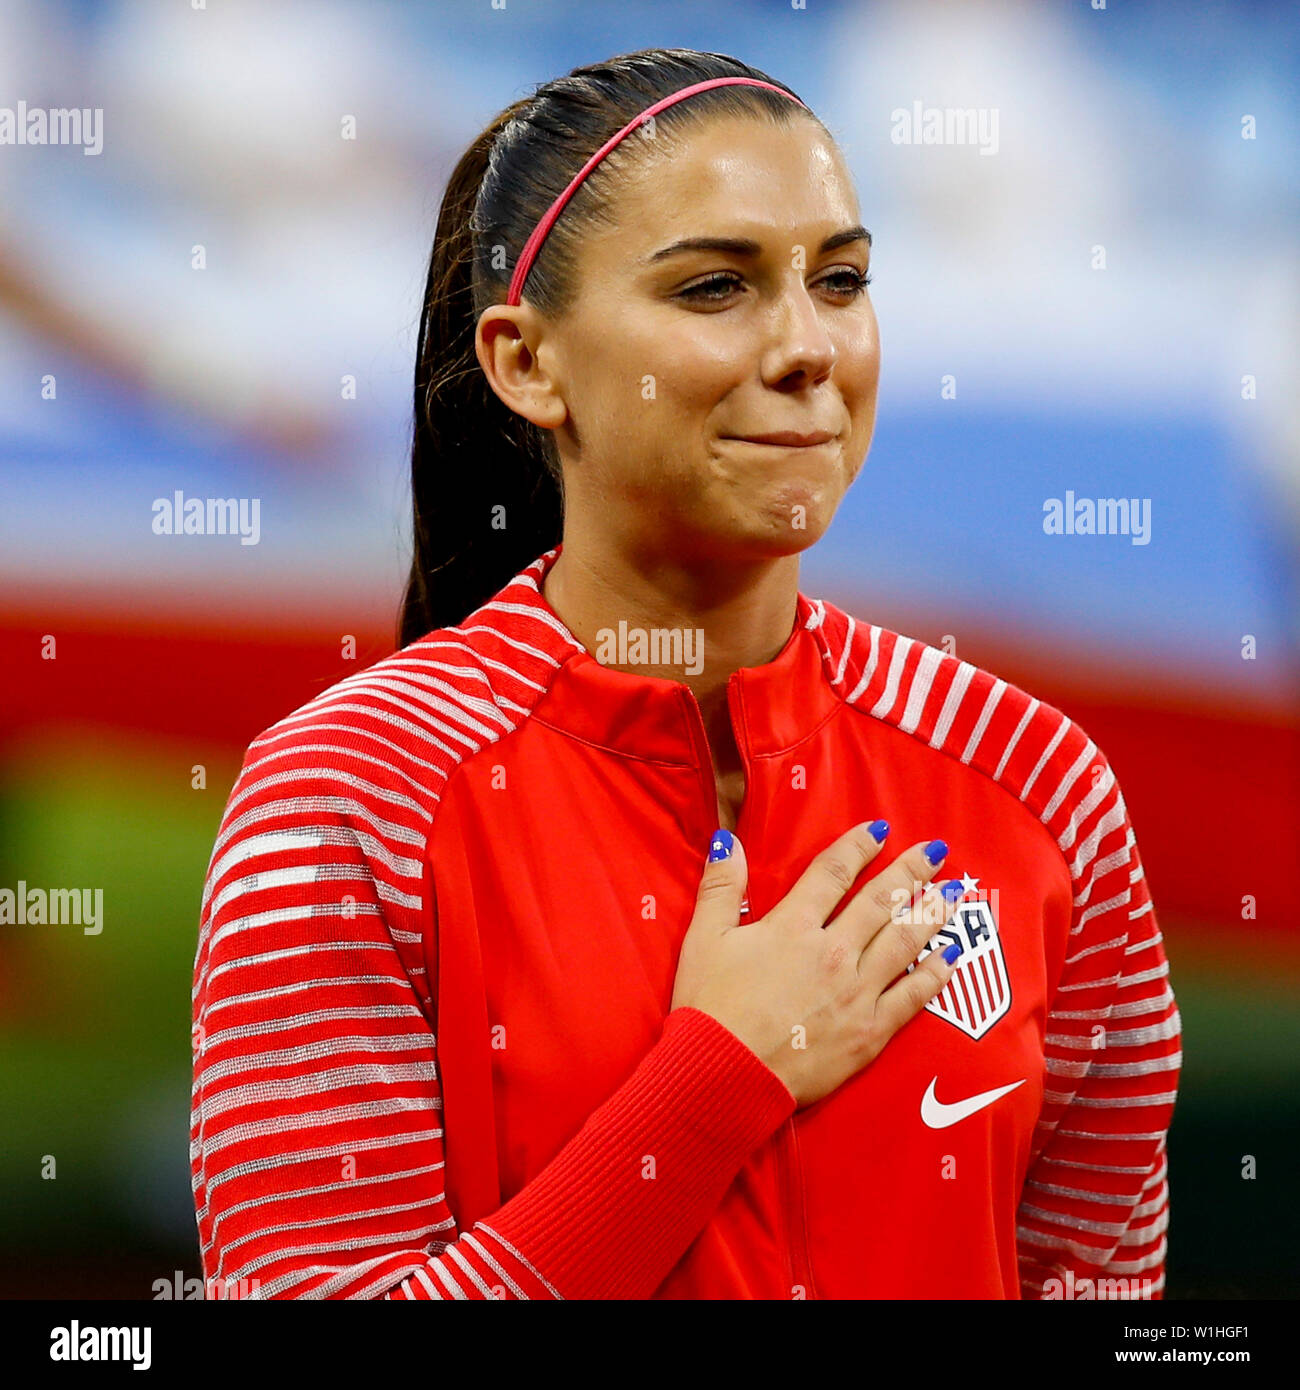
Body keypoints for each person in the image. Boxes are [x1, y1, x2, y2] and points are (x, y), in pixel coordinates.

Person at [190, 48, 1180, 1300]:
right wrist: (720, 1071)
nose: (807, 348)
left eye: (842, 280)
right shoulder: (348, 795)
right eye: (717, 288)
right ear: (525, 363)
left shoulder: (1036, 783)